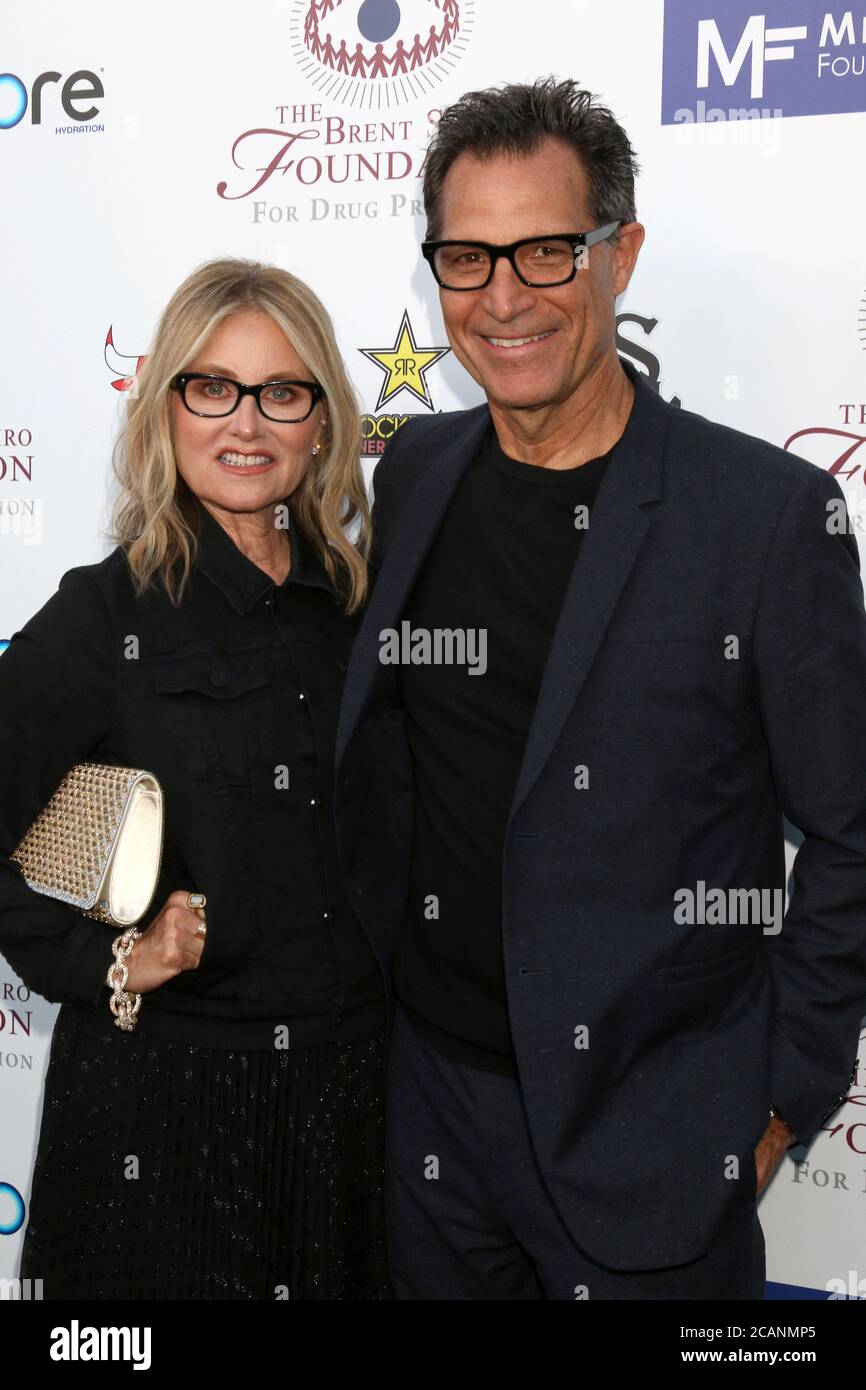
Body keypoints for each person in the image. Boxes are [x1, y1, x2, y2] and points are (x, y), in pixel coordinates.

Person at [334, 78, 866, 1299]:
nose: (502, 296)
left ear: (618, 255)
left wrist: (779, 1099)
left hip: (653, 1138)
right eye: (466, 257)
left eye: (543, 251)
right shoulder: (412, 470)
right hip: (429, 1120)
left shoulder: (763, 521)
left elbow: (846, 831)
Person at [0, 257, 390, 1300]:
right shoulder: (104, 615)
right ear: (165, 406)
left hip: (353, 1099)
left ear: (321, 420)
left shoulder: (364, 611)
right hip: (161, 1111)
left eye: (282, 391)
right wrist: (110, 961)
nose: (246, 423)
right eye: (211, 387)